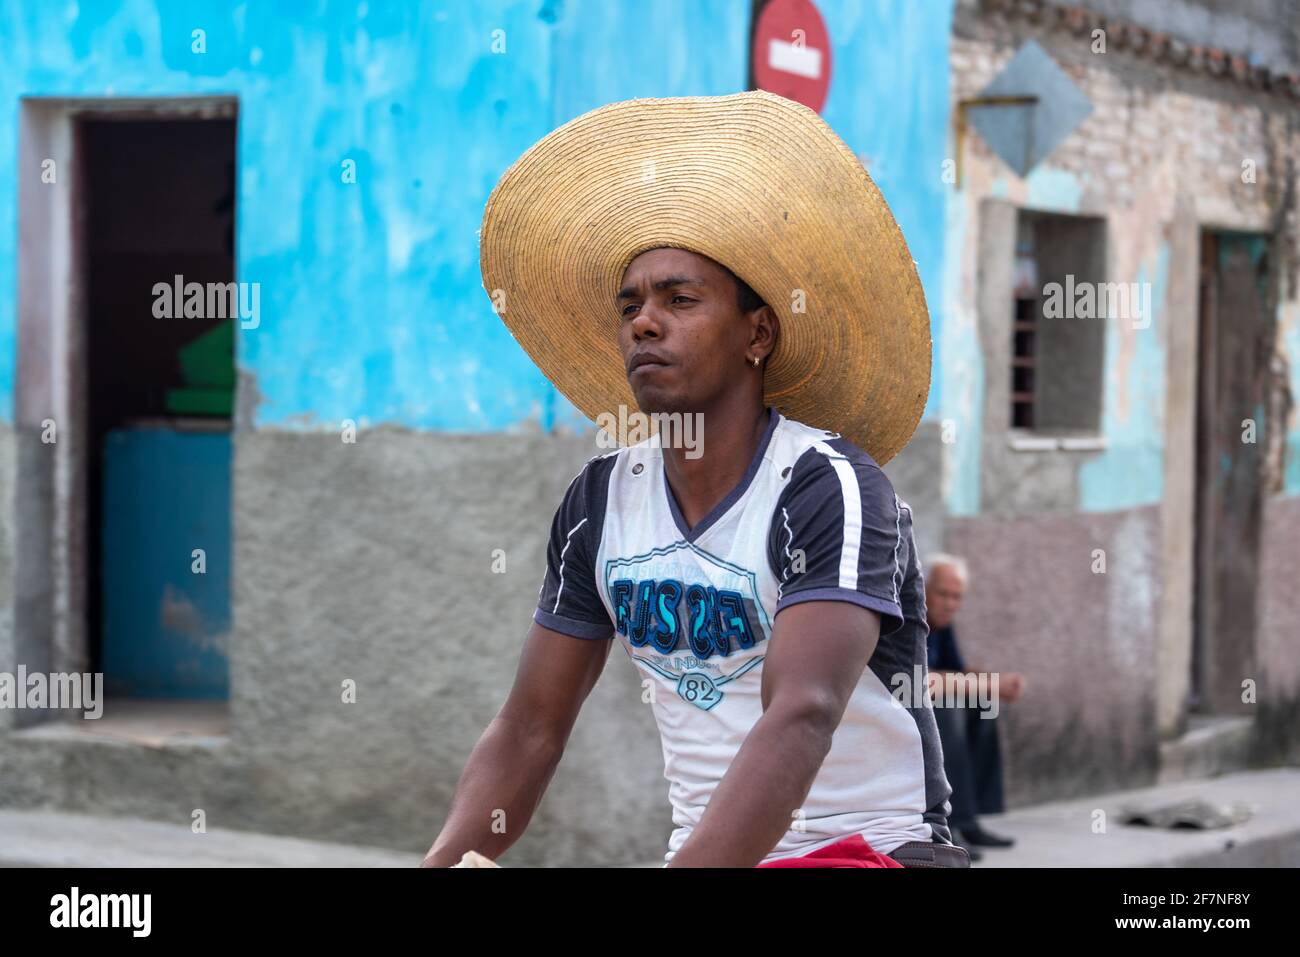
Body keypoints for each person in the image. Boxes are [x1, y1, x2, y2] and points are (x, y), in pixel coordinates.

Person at [422, 91, 966, 868]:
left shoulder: (827, 486)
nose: (645, 321)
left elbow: (803, 713)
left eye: (680, 299)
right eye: (631, 304)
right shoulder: (600, 501)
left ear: (757, 332)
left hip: (871, 850)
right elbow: (530, 726)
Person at [924, 554, 1025, 859]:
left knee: (983, 705)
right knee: (949, 708)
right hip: (898, 704)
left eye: (957, 597)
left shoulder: (943, 626)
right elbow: (924, 681)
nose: (950, 604)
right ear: (924, 589)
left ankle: (969, 819)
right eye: (943, 594)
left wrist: (995, 681)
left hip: (924, 700)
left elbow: (956, 672)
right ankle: (947, 824)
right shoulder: (910, 617)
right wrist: (991, 685)